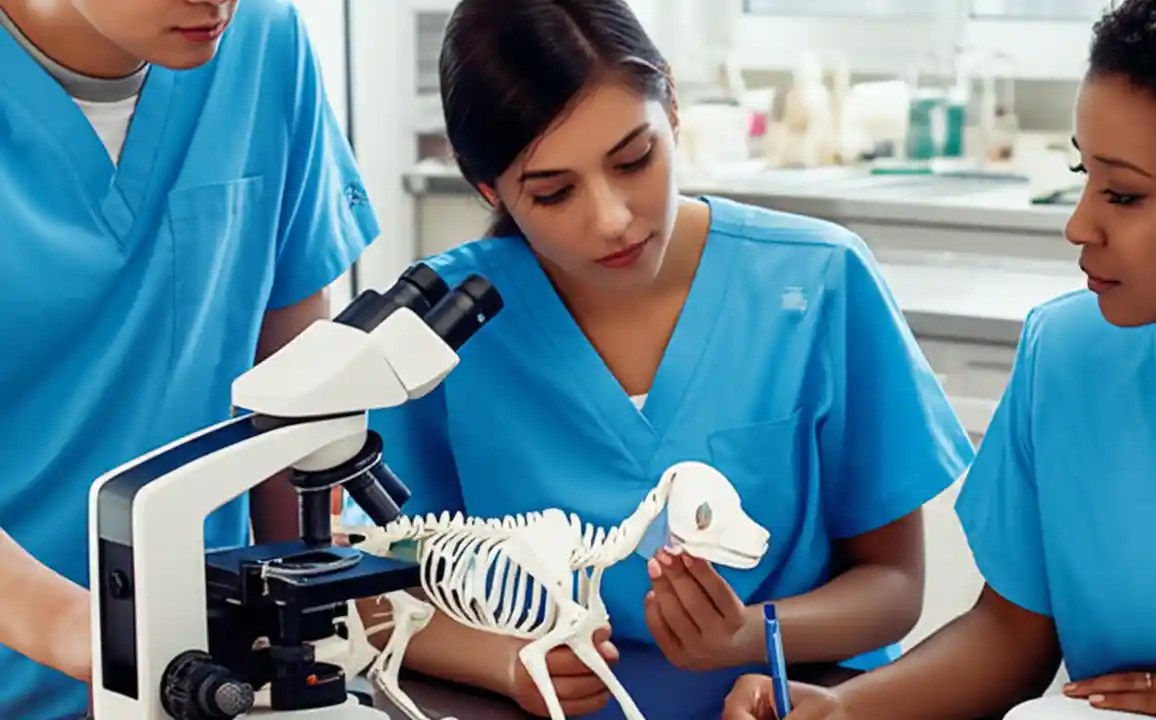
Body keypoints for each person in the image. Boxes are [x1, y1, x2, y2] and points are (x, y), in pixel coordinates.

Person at [339, 1, 973, 719]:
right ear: (490, 190)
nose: (611, 218)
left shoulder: (817, 281)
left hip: (785, 699)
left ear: (671, 104)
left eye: (634, 159)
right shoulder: (442, 324)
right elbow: (373, 593)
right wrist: (510, 664)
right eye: (553, 193)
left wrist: (750, 637)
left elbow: (893, 584)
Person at [722, 1, 1156, 719]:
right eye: (1082, 173)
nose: (1079, 223)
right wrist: (845, 710)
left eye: (1124, 194)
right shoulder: (1071, 357)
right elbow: (1012, 632)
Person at [0, 0, 378, 716]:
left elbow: (288, 366)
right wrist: (94, 639)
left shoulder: (263, 42)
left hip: (207, 683)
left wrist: (300, 646)